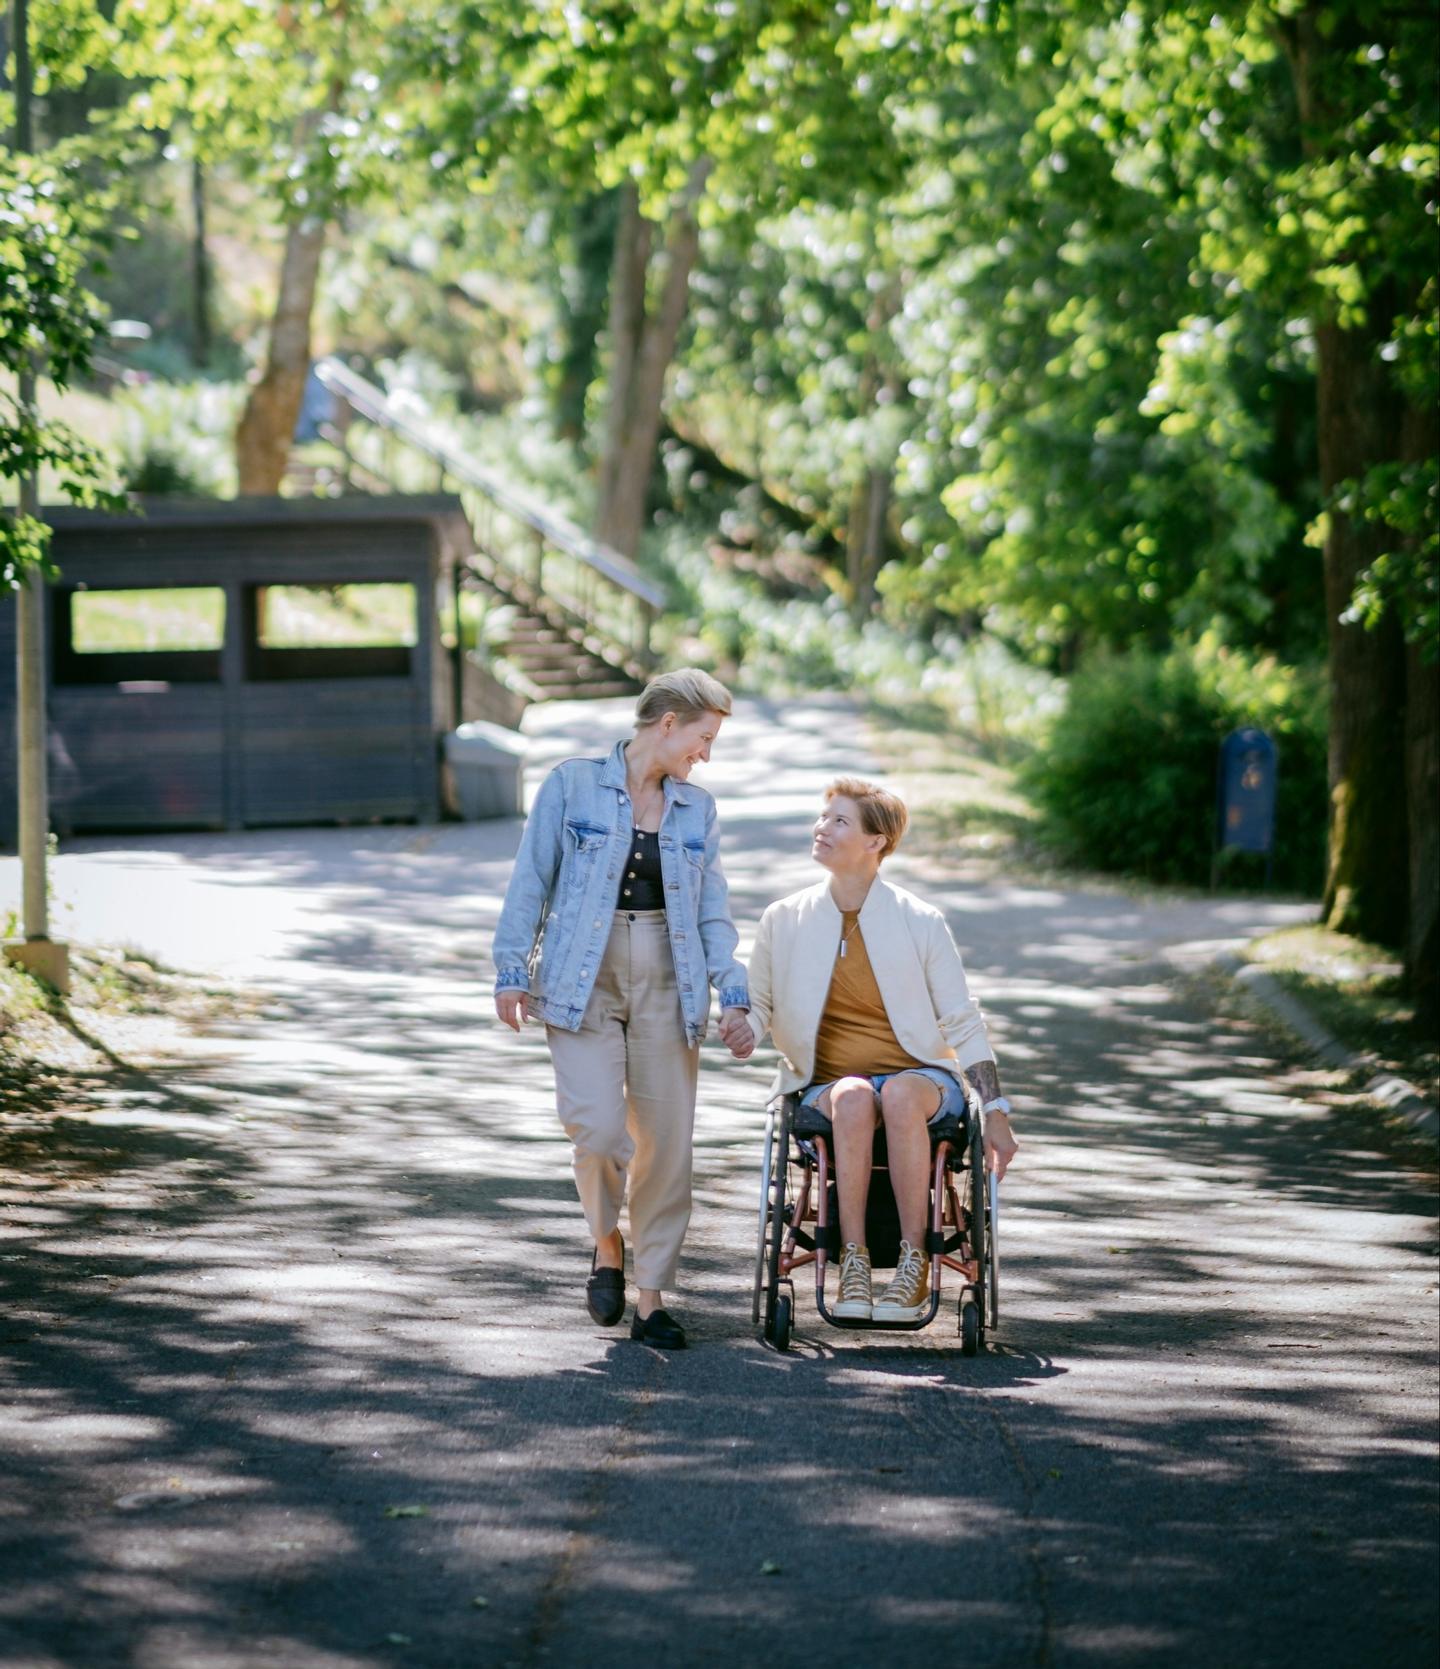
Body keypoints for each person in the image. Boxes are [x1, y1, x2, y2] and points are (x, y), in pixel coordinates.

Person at [492, 669, 753, 1350]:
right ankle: (607, 1241)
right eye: (703, 737)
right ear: (668, 722)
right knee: (599, 1130)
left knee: (667, 1149)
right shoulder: (572, 785)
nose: (706, 754)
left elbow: (713, 913)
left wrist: (734, 991)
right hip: (584, 975)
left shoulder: (698, 810)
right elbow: (531, 880)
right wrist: (511, 970)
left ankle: (651, 1297)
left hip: (672, 976)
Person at [743, 777, 1017, 1322]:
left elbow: (963, 1021)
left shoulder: (919, 921)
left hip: (922, 1082)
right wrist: (742, 1027)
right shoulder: (784, 918)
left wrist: (997, 1110)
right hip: (827, 1085)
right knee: (852, 1096)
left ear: (876, 842)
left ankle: (916, 1262)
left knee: (895, 1093)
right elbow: (757, 1007)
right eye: (823, 818)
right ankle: (854, 1259)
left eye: (839, 821)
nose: (822, 828)